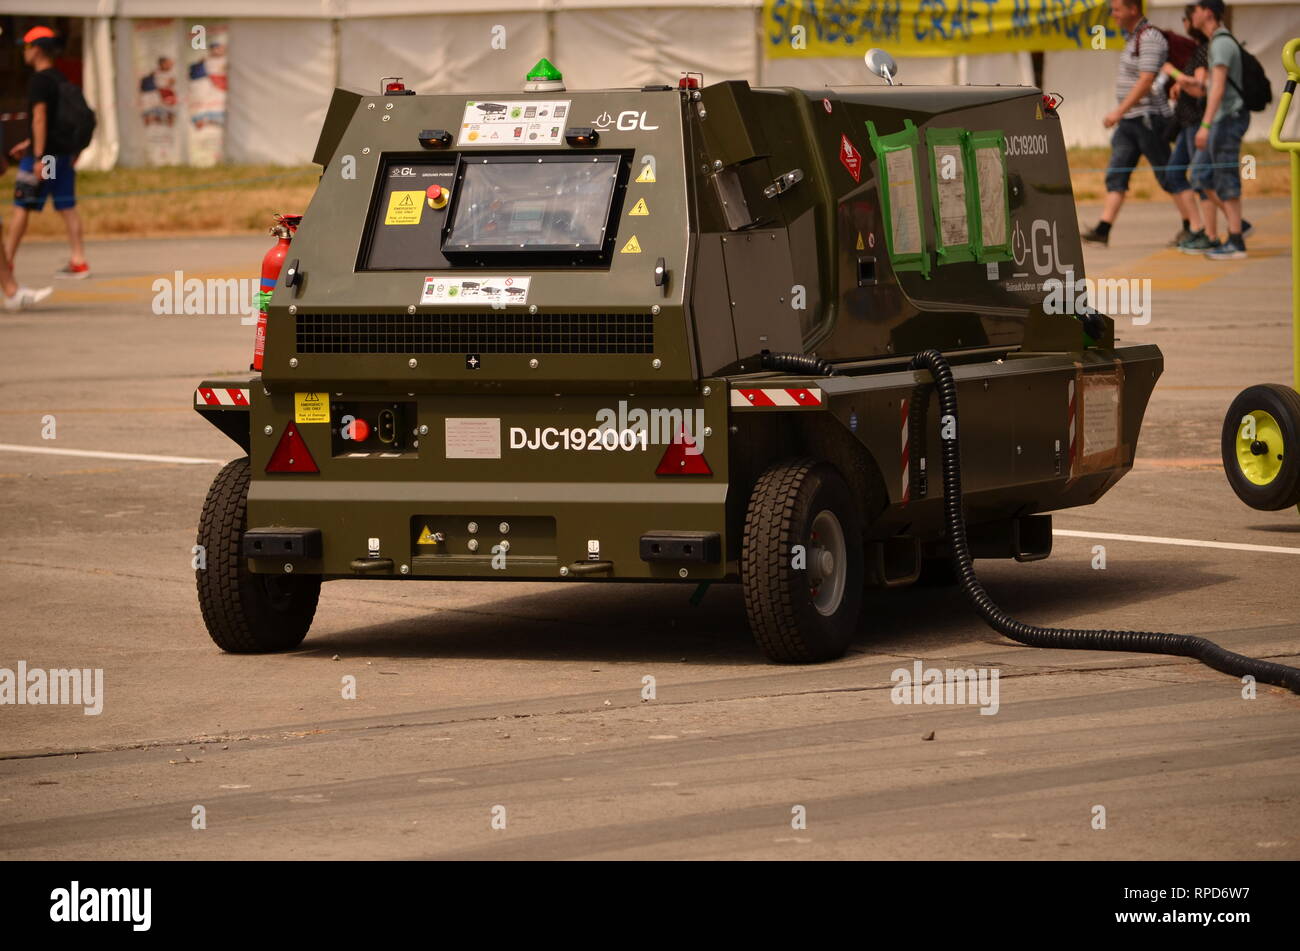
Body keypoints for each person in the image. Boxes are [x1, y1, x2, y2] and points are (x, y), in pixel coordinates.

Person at [1081, 0, 1203, 247]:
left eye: (1116, 9)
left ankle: (1193, 227)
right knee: (1117, 174)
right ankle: (1103, 229)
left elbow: (1147, 80)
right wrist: (1123, 115)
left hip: (1148, 119)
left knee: (1169, 175)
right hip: (1130, 121)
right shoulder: (1133, 38)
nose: (1112, 14)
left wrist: (1118, 111)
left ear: (1133, 9)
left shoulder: (1149, 38)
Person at [5, 26, 90, 279]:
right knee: (67, 206)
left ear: (37, 49)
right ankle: (79, 260)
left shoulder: (39, 81)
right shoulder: (60, 79)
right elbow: (56, 121)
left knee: (22, 205)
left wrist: (39, 156)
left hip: (46, 156)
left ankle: (6, 261)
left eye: (27, 46)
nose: (24, 52)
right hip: (63, 154)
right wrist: (28, 142)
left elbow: (40, 119)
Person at [1191, 0, 1250, 260]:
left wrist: (1205, 124)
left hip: (1227, 118)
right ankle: (1239, 225)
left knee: (1226, 177)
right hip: (1220, 119)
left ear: (1208, 12)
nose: (1192, 14)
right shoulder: (1215, 42)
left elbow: (1218, 87)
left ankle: (1236, 241)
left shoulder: (1222, 43)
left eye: (1196, 8)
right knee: (1200, 175)